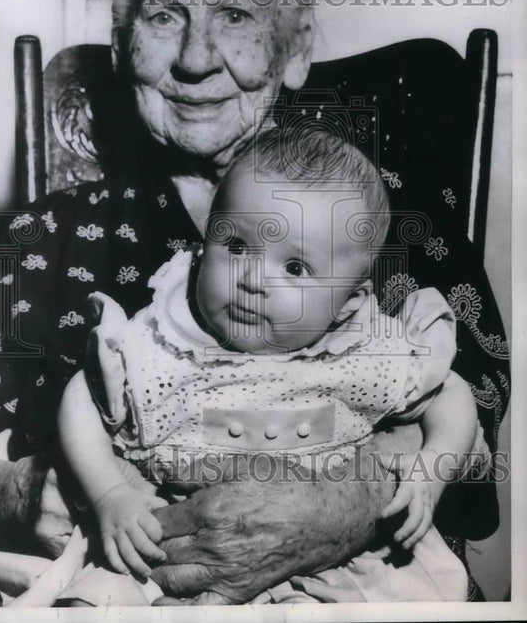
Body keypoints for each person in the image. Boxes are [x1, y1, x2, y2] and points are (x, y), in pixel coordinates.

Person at [0, 0, 509, 605]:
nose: (196, 59)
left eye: (234, 15)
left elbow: (477, 440)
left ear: (293, 49)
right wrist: (25, 489)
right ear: (122, 45)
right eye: (164, 16)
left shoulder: (395, 219)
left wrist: (349, 499)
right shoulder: (42, 239)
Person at [53, 128, 482, 604]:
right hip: (177, 549)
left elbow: (451, 393)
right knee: (93, 601)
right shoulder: (164, 345)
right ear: (203, 247)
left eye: (295, 268)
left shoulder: (363, 354)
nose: (253, 280)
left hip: (335, 560)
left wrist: (429, 470)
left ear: (348, 303)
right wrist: (110, 493)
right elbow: (83, 396)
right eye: (236, 246)